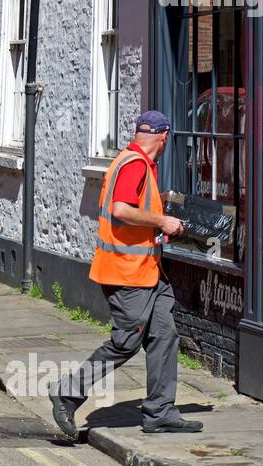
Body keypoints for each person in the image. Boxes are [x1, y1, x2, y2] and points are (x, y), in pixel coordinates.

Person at [49, 110, 204, 437]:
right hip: (126, 275)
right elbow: (121, 210)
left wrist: (162, 206)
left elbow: (132, 206)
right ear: (163, 138)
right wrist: (162, 222)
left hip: (148, 274)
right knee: (126, 343)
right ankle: (68, 392)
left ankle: (159, 412)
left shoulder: (131, 161)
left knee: (164, 335)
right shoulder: (134, 165)